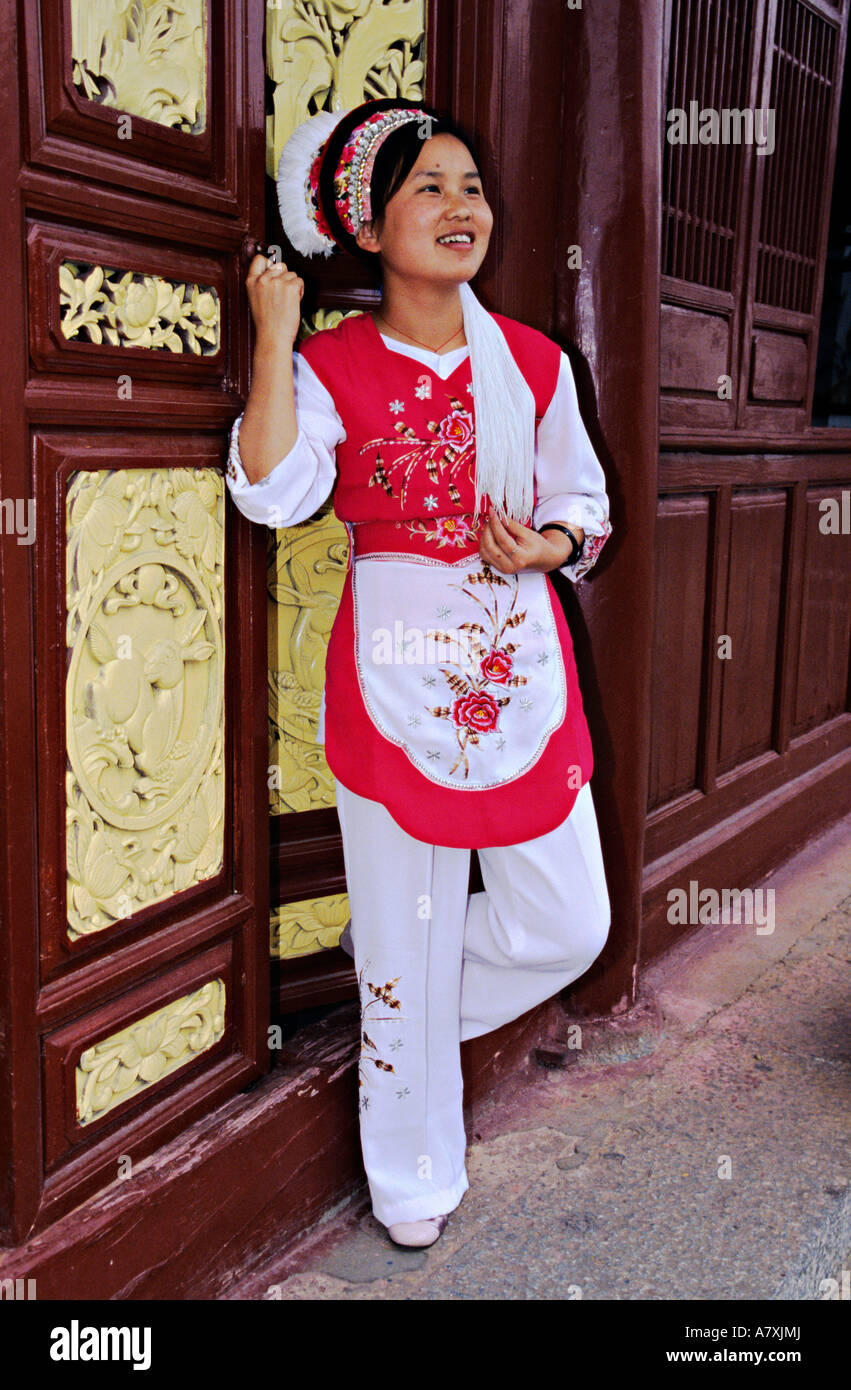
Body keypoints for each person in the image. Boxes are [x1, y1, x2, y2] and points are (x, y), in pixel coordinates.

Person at [226, 98, 613, 1249]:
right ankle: (407, 1163)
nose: (462, 208)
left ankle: (404, 1009)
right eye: (430, 188)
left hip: (515, 662)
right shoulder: (334, 364)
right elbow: (273, 489)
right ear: (371, 223)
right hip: (393, 674)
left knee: (566, 922)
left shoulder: (534, 364)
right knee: (403, 932)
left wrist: (543, 545)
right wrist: (273, 331)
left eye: (472, 186)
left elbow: (580, 505)